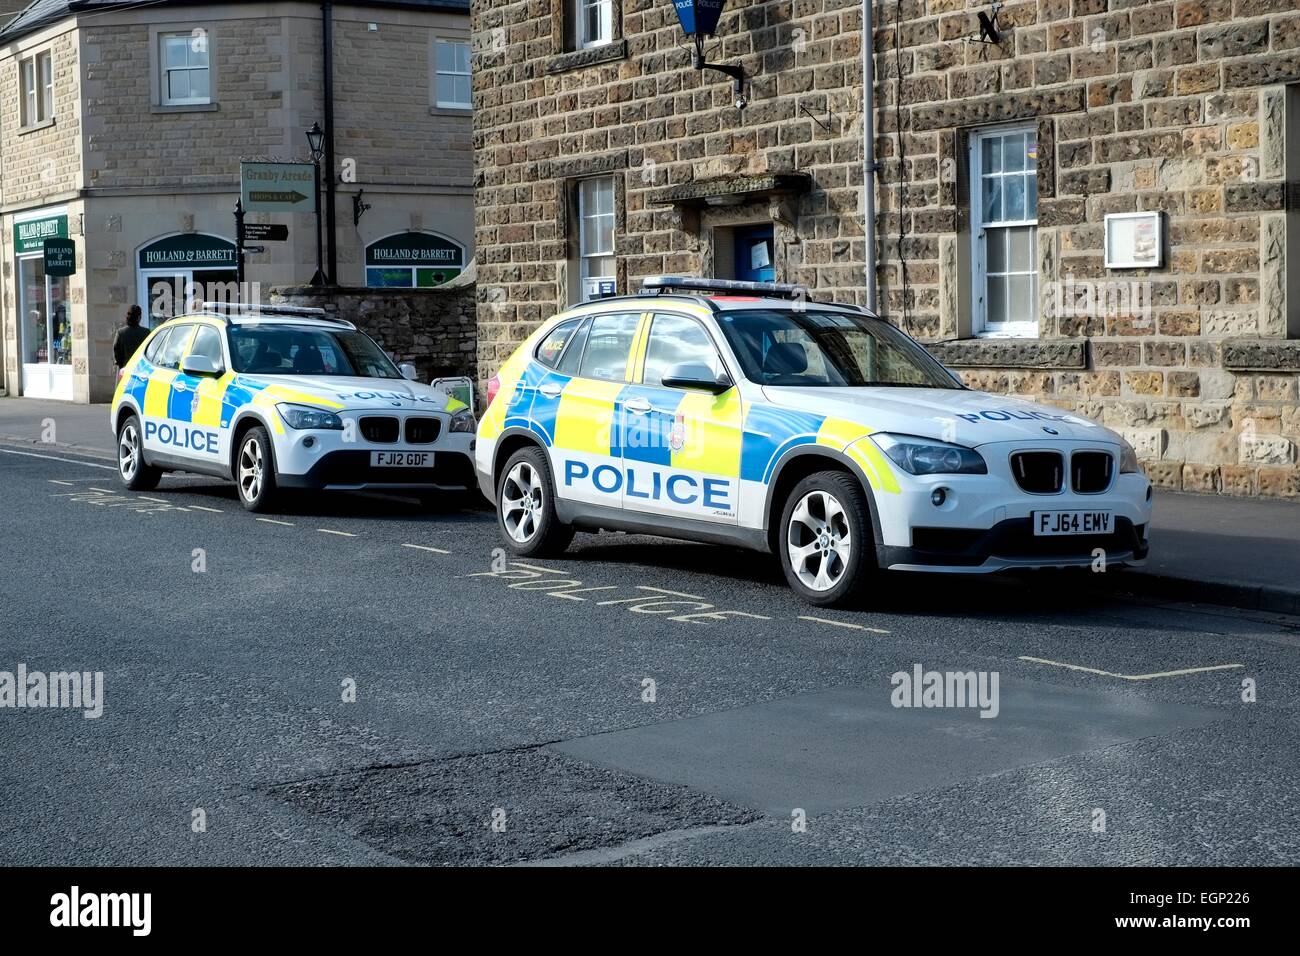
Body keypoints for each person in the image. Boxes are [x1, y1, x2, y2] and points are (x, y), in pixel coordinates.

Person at [112, 305, 150, 370]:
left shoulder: (120, 333)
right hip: (142, 370)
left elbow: (116, 350)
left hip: (125, 369)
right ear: (139, 317)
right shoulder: (146, 333)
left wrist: (121, 364)